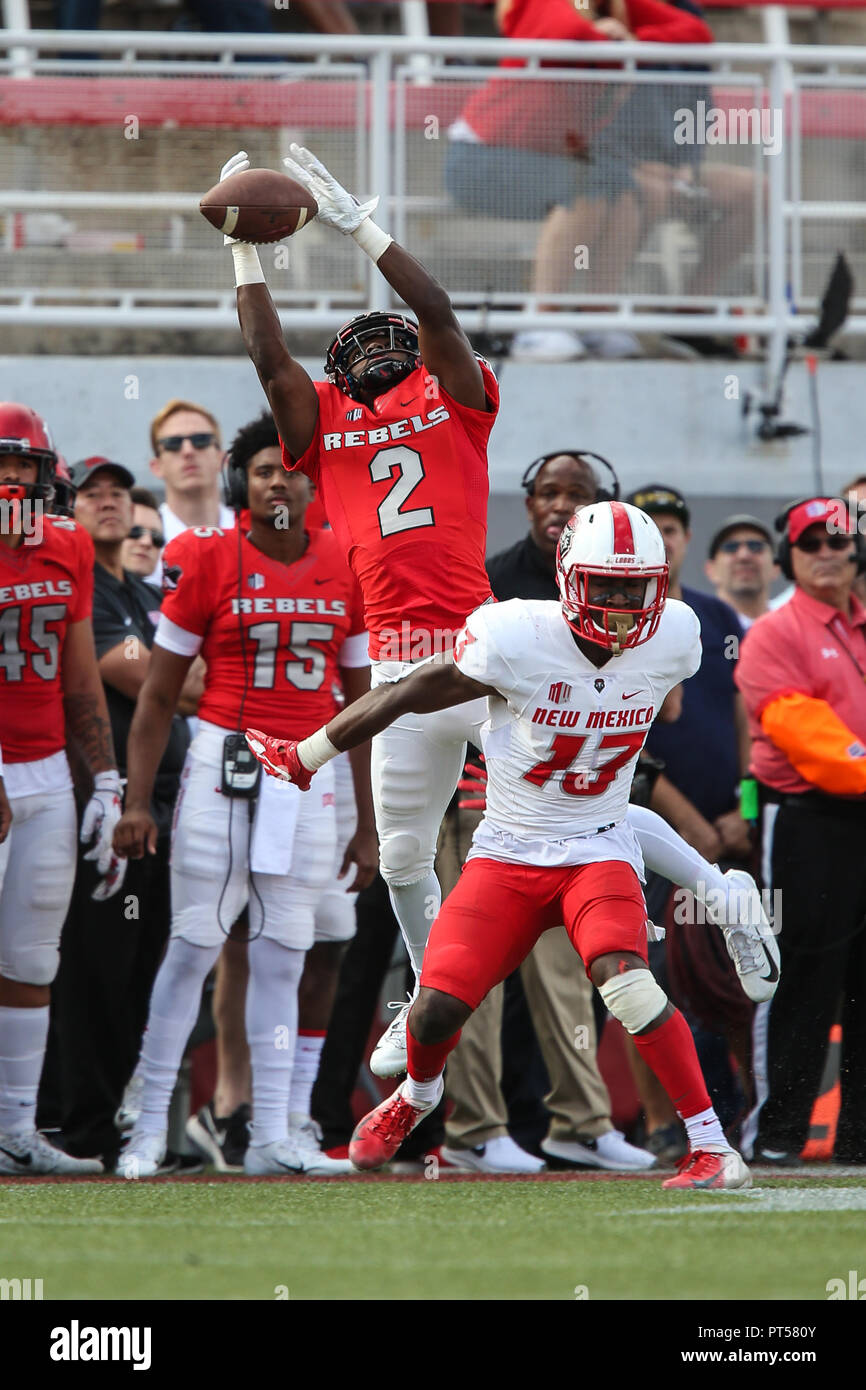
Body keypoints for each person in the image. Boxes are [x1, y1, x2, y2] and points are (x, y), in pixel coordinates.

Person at [246, 501, 753, 1190]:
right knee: (434, 1008)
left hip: (597, 848)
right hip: (508, 854)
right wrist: (308, 752)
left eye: (635, 588)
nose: (621, 602)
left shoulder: (676, 636)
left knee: (627, 983)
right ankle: (418, 1097)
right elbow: (413, 688)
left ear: (659, 586)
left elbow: (667, 705)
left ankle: (712, 1147)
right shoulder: (517, 635)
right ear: (568, 579)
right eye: (604, 583)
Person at [113, 412, 375, 1177]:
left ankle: (270, 1135)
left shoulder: (345, 564)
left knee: (285, 957)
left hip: (309, 774)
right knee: (194, 946)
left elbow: (360, 709)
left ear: (310, 481)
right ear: (243, 483)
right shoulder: (205, 558)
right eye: (263, 470)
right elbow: (159, 698)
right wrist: (135, 801)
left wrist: (365, 824)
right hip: (222, 768)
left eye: (290, 469)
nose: (278, 482)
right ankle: (145, 1130)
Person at [40, 456, 200, 1169]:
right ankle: (77, 1126)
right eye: (91, 495)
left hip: (164, 801)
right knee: (96, 965)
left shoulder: (137, 589)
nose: (109, 504)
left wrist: (193, 680)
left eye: (117, 494)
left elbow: (184, 678)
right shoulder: (87, 594)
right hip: (103, 801)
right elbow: (150, 678)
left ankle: (112, 1124)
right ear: (65, 510)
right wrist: (199, 682)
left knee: (143, 966)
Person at [444, 0, 713, 362]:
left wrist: (632, 37)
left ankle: (597, 317)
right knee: (592, 184)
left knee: (622, 185)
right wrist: (613, 41)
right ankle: (539, 323)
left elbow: (696, 33)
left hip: (549, 160)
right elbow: (565, 32)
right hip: (482, 158)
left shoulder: (622, 9)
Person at [0, 404, 124, 1177]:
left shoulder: (69, 545)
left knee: (31, 957)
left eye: (23, 467)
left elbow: (81, 677)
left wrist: (106, 783)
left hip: (48, 771)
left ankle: (16, 1130)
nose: (11, 480)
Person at [736, 497, 866, 1166]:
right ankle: (779, 1135)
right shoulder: (774, 633)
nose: (827, 553)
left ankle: (859, 1140)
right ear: (790, 554)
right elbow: (814, 746)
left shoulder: (861, 625)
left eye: (838, 542)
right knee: (801, 982)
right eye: (811, 542)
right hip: (807, 821)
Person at [704, 515, 777, 630]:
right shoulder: (696, 629)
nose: (744, 556)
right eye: (730, 547)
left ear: (776, 566)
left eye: (756, 546)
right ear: (711, 570)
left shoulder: (793, 629)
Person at [120, 486, 165, 582]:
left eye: (156, 536)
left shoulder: (157, 596)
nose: (147, 542)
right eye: (135, 530)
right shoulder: (84, 593)